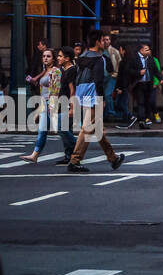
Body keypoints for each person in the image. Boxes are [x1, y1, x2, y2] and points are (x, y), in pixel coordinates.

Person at [67, 31, 127, 173]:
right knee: (88, 127)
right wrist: (102, 99)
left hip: (82, 93)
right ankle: (74, 160)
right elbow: (98, 81)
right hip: (94, 95)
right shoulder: (100, 59)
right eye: (102, 40)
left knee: (98, 128)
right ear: (98, 42)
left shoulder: (81, 57)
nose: (104, 43)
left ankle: (113, 158)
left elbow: (76, 77)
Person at [19, 48, 62, 163]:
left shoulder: (55, 71)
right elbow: (43, 89)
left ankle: (73, 152)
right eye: (44, 56)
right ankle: (35, 155)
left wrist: (52, 108)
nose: (45, 58)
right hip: (45, 103)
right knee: (42, 130)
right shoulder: (45, 70)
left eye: (48, 56)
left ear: (53, 58)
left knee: (63, 131)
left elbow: (55, 90)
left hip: (51, 103)